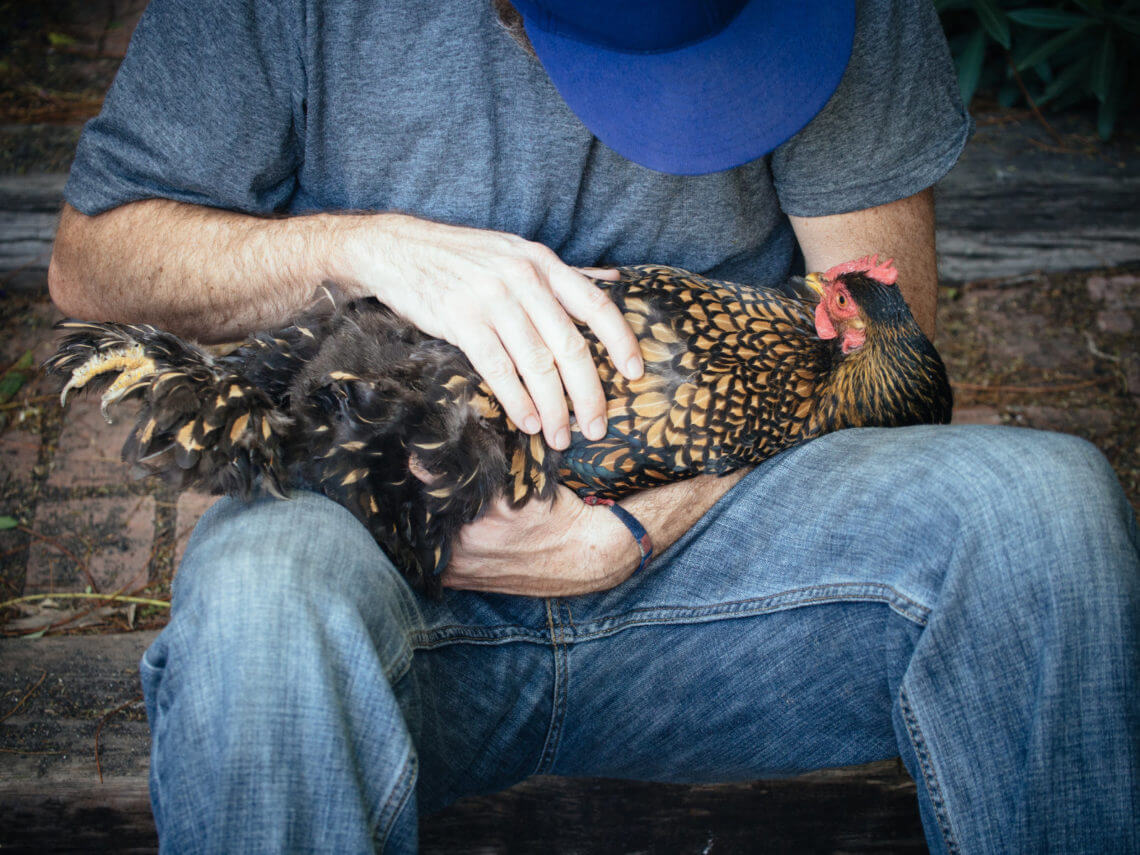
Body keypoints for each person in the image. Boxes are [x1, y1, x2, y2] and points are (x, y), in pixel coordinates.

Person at [48, 0, 1139, 852]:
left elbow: (886, 356)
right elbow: (93, 262)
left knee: (1042, 511)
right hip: (394, 567)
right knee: (257, 589)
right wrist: (360, 247)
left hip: (729, 567)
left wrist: (651, 517)